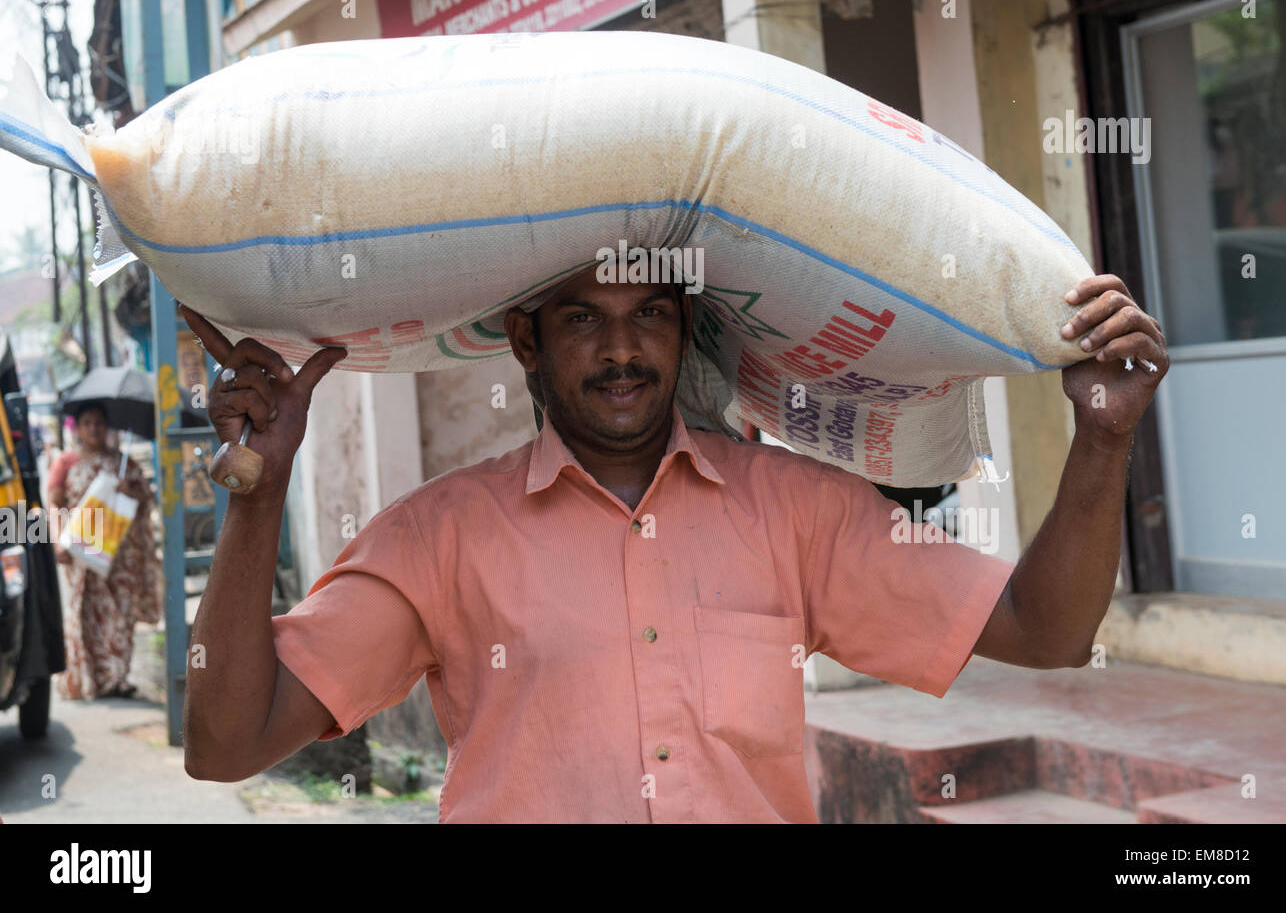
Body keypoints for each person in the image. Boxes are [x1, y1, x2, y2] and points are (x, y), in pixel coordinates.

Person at [176, 266, 1168, 823]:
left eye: (647, 312)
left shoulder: (794, 509)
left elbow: (1046, 631)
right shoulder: (441, 535)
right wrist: (256, 497)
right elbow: (227, 745)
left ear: (682, 325)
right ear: (526, 339)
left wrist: (1103, 436)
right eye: (583, 319)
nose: (620, 348)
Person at [47, 402, 163, 700]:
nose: (94, 429)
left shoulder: (123, 463)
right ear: (79, 428)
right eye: (87, 423)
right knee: (85, 613)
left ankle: (117, 677)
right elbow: (54, 504)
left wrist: (129, 491)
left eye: (99, 423)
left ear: (107, 427)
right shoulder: (66, 462)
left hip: (119, 553)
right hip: (82, 552)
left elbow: (146, 498)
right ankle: (88, 680)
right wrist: (58, 540)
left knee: (120, 611)